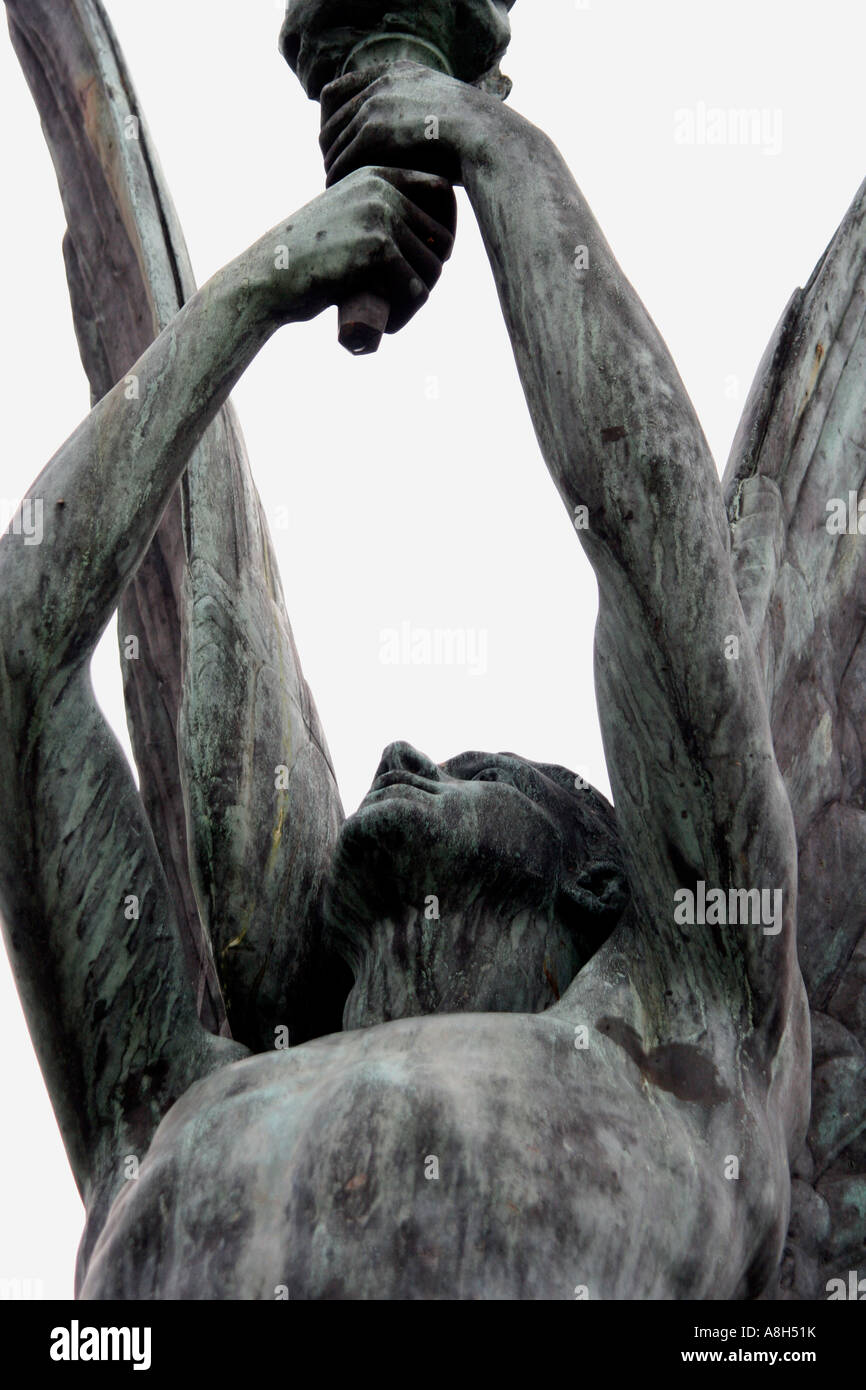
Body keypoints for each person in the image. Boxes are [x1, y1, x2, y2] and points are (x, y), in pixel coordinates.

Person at [0, 60, 809, 1299]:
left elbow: (650, 523)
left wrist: (488, 144)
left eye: (472, 766)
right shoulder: (156, 1094)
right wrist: (265, 286)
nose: (399, 759)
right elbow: (21, 642)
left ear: (603, 880)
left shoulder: (683, 1032)